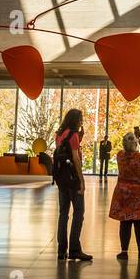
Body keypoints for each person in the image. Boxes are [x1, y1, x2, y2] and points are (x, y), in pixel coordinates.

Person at [108, 127, 140, 261]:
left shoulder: (120, 156)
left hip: (123, 194)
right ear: (136, 144)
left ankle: (124, 251)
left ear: (123, 144)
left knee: (125, 223)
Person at [54, 108, 91, 262]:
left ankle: (62, 250)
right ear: (76, 120)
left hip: (61, 179)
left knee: (63, 214)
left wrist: (78, 139)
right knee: (78, 212)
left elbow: (63, 151)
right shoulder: (73, 135)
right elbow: (75, 159)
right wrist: (81, 180)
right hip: (73, 179)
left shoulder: (59, 134)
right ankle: (75, 249)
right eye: (80, 119)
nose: (81, 122)